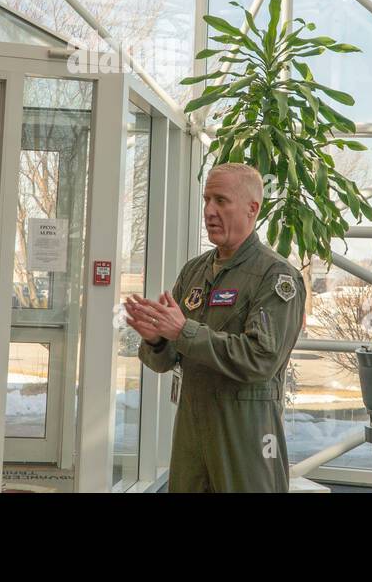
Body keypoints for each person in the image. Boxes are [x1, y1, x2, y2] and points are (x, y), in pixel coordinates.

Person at [127, 163, 305, 492]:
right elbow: (165, 363)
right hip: (192, 432)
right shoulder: (194, 272)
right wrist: (156, 341)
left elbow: (261, 359)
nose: (209, 211)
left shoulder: (275, 276)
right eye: (207, 200)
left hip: (245, 432)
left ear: (253, 209)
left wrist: (183, 333)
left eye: (221, 201)